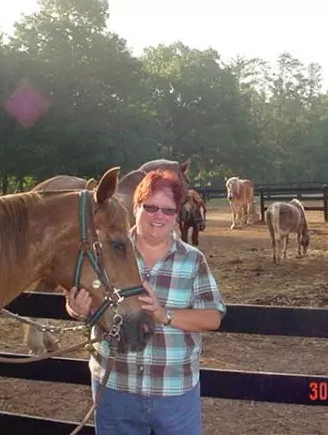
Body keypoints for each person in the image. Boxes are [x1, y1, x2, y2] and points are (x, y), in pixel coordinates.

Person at [65, 169, 225, 435]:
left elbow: (213, 317)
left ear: (177, 215)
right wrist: (75, 308)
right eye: (150, 207)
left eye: (168, 210)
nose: (159, 216)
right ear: (135, 207)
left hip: (173, 392)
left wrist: (165, 315)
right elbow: (75, 303)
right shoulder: (102, 248)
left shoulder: (193, 260)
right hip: (116, 388)